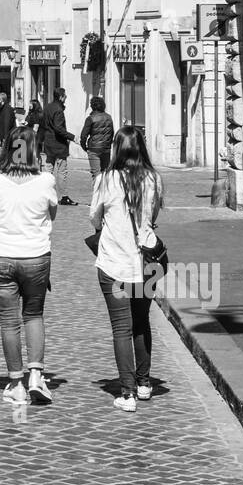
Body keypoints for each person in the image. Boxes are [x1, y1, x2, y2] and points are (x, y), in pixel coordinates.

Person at [0, 125, 58, 408]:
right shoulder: (46, 181)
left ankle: (16, 384)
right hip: (36, 257)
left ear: (8, 149)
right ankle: (36, 376)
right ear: (34, 150)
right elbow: (52, 214)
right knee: (34, 315)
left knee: (8, 322)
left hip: (2, 257)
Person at [90, 126, 164, 412]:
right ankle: (144, 384)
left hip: (114, 262)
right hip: (145, 264)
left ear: (116, 149)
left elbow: (94, 218)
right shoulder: (153, 178)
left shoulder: (107, 180)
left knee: (121, 328)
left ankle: (127, 392)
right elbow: (154, 215)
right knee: (142, 321)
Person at [43, 87, 77, 205]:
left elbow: (44, 125)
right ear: (61, 97)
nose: (66, 98)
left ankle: (44, 193)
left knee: (48, 169)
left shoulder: (47, 107)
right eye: (65, 96)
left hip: (48, 142)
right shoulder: (58, 110)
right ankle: (64, 196)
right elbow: (59, 128)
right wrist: (72, 137)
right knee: (62, 171)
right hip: (58, 144)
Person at [80, 96, 115, 179]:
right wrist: (108, 144)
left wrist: (84, 146)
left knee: (96, 174)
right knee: (105, 173)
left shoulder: (90, 118)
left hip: (94, 149)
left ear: (92, 106)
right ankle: (105, 191)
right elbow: (111, 133)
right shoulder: (109, 117)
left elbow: (83, 135)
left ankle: (97, 191)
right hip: (106, 149)